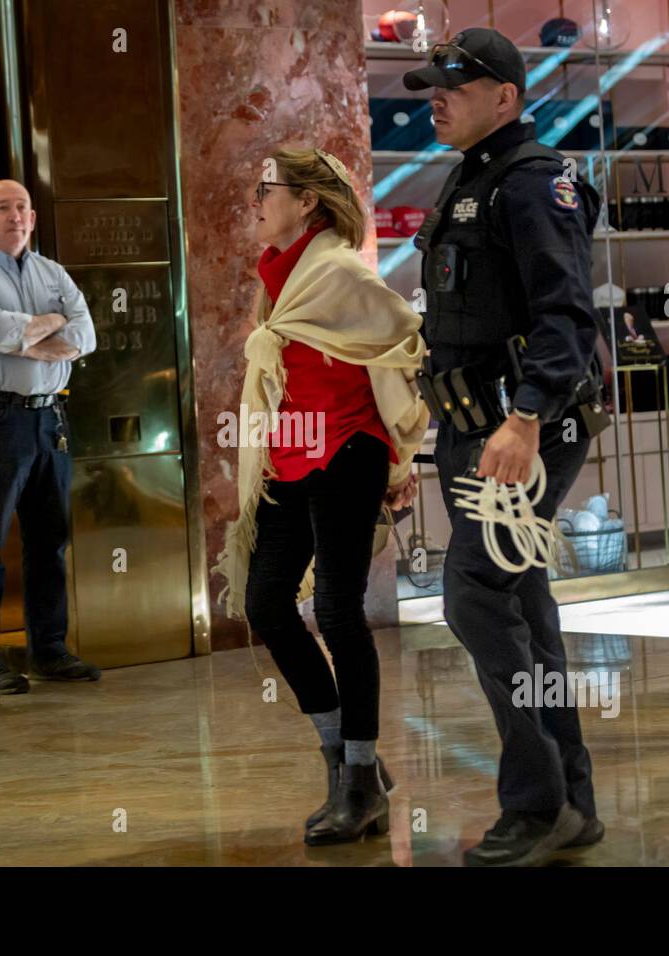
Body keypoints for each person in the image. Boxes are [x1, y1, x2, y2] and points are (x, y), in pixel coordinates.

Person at [403, 28, 605, 865]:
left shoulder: (533, 183)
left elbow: (566, 319)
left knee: (473, 593)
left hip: (523, 429)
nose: (435, 99)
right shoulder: (470, 177)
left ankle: (535, 802)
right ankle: (571, 800)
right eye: (432, 87)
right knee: (519, 601)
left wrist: (524, 418)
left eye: (453, 86)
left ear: (506, 98)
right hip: (471, 428)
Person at [215, 147, 429, 845]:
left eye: (265, 187)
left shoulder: (336, 269)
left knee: (338, 612)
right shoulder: (279, 275)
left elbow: (399, 341)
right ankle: (344, 763)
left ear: (306, 201)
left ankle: (359, 781)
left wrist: (401, 454)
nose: (255, 199)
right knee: (267, 602)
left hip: (348, 448)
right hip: (292, 455)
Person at [0, 179, 100, 693]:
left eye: (22, 208)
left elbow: (86, 335)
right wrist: (41, 330)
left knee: (49, 541)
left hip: (49, 419)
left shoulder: (51, 272)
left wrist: (28, 336)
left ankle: (49, 650)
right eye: (2, 208)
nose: (15, 216)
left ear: (33, 218)